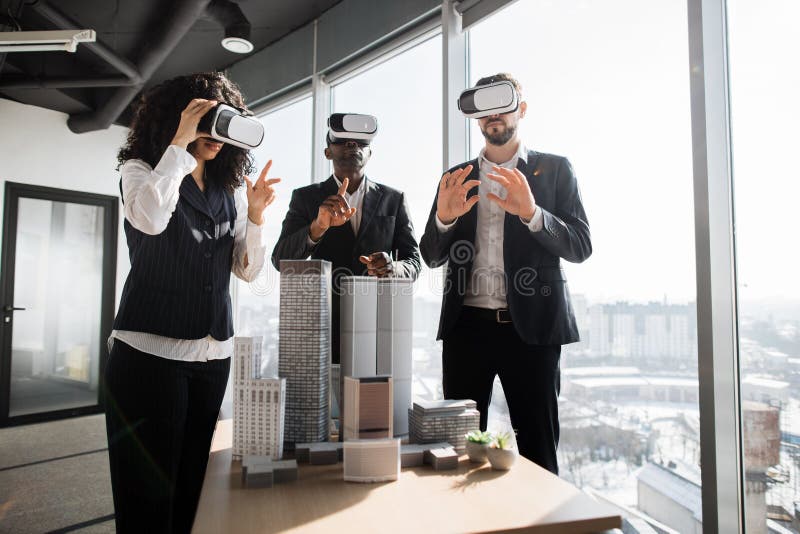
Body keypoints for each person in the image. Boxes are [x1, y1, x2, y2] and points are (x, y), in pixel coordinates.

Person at [105, 72, 279, 533]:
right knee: (145, 495)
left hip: (212, 356)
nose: (216, 138)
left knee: (193, 489)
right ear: (176, 121)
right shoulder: (140, 172)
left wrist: (256, 216)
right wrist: (180, 146)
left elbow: (247, 269)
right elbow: (149, 220)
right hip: (148, 355)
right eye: (207, 123)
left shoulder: (227, 193)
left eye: (224, 127)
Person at [419, 73, 591, 474]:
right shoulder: (456, 178)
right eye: (484, 111)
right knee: (457, 451)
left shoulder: (556, 170)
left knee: (538, 449)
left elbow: (580, 245)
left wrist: (532, 213)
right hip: (466, 330)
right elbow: (429, 255)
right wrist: (444, 219)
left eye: (502, 107)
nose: (493, 117)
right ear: (477, 120)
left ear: (522, 110)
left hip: (531, 333)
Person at [271, 114, 421, 364]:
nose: (353, 145)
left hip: (377, 326)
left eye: (361, 142)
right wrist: (317, 227)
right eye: (343, 141)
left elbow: (414, 263)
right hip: (322, 328)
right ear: (327, 152)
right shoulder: (306, 198)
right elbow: (280, 260)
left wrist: (392, 267)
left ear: (370, 153)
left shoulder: (394, 199)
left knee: (373, 402)